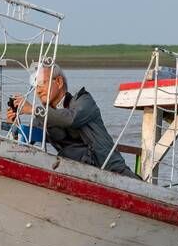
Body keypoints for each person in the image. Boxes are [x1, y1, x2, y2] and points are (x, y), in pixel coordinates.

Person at [8, 64, 136, 176]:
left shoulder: (84, 100)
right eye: (35, 86)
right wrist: (16, 124)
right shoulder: (43, 117)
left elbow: (70, 119)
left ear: (59, 82)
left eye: (42, 83)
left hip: (112, 170)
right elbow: (26, 144)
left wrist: (34, 110)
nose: (38, 90)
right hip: (79, 172)